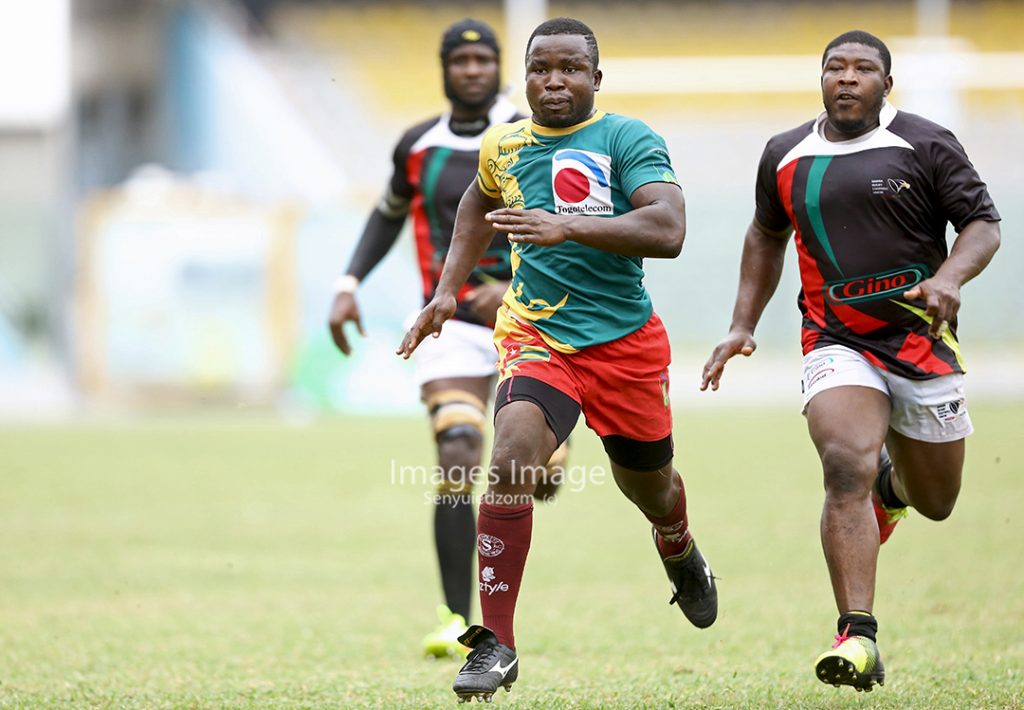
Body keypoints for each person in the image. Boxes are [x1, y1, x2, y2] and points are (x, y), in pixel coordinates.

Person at [398, 17, 718, 703]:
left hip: (624, 346)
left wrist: (568, 224)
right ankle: (497, 646)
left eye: (571, 68)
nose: (555, 80)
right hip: (537, 338)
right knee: (510, 456)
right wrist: (446, 292)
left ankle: (678, 546)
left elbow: (669, 229)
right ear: (527, 75)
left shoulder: (627, 138)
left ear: (596, 79)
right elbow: (474, 206)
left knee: (650, 488)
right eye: (542, 67)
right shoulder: (505, 145)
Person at [701, 30, 1001, 692]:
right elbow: (764, 233)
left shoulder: (926, 143)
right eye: (834, 67)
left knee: (938, 500)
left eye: (863, 69)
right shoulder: (785, 154)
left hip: (922, 341)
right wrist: (741, 325)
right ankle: (857, 635)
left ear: (885, 85)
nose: (846, 77)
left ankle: (892, 491)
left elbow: (983, 223)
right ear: (821, 79)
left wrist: (950, 279)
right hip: (836, 340)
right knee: (844, 465)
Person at [327, 18, 566, 659]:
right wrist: (348, 281)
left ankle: (553, 448)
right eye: (460, 62)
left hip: (531, 317)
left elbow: (564, 222)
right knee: (459, 452)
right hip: (448, 322)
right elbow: (386, 215)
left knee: (530, 474)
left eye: (484, 60)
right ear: (443, 69)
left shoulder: (533, 132)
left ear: (497, 67)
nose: (472, 70)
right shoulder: (416, 145)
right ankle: (457, 622)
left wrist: (512, 284)